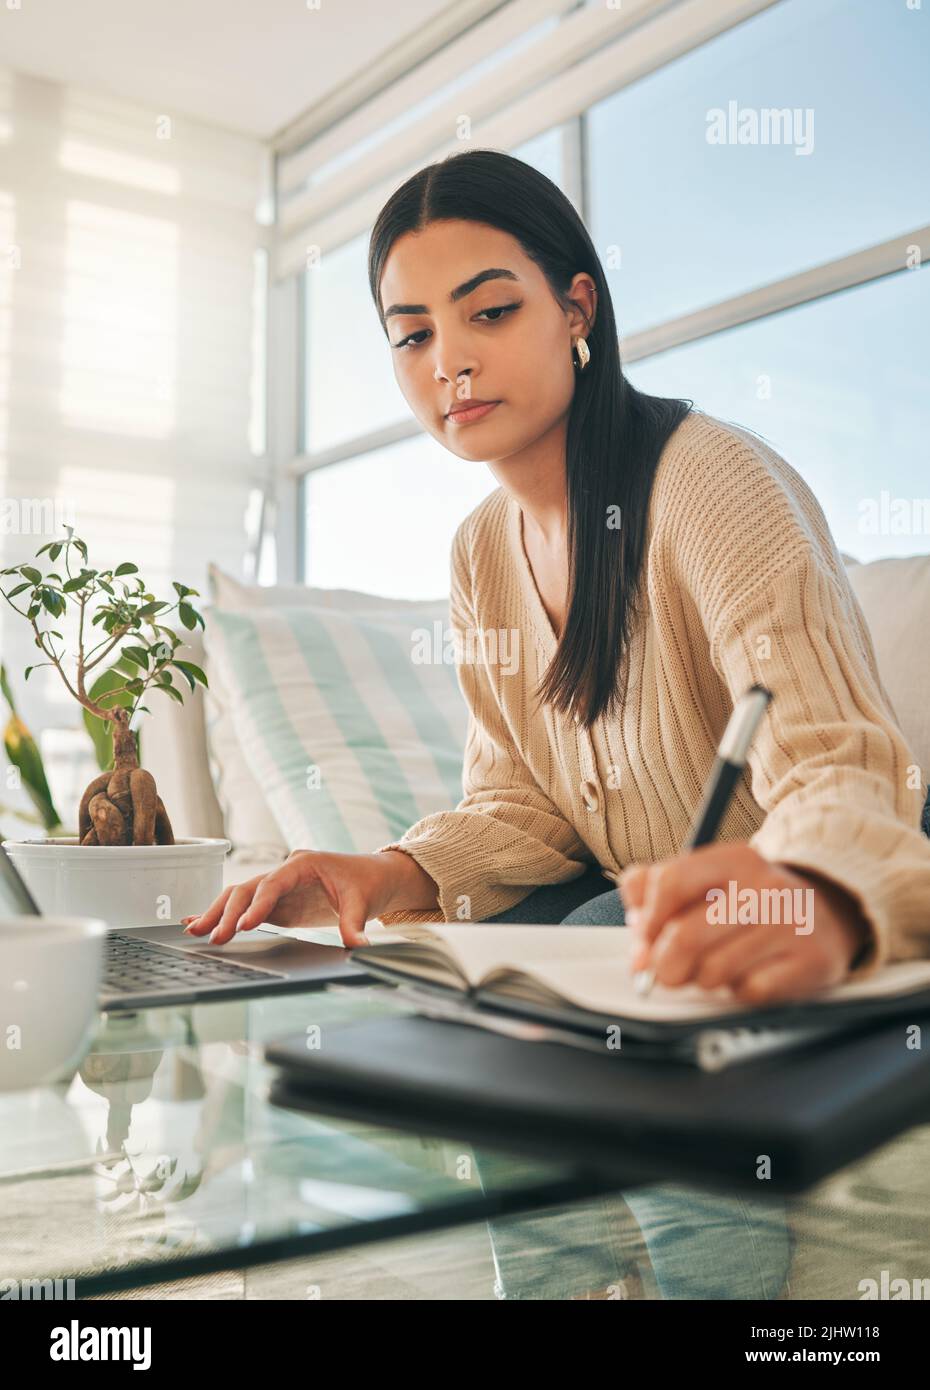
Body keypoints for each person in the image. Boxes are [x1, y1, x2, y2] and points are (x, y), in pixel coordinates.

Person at [183, 149, 930, 1298]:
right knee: (506, 1009)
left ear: (577, 306)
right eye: (414, 334)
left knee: (606, 949)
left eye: (490, 310)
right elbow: (521, 805)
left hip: (791, 893)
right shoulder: (479, 554)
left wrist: (814, 898)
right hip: (632, 904)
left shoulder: (711, 482)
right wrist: (387, 872)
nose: (452, 362)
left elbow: (841, 765)